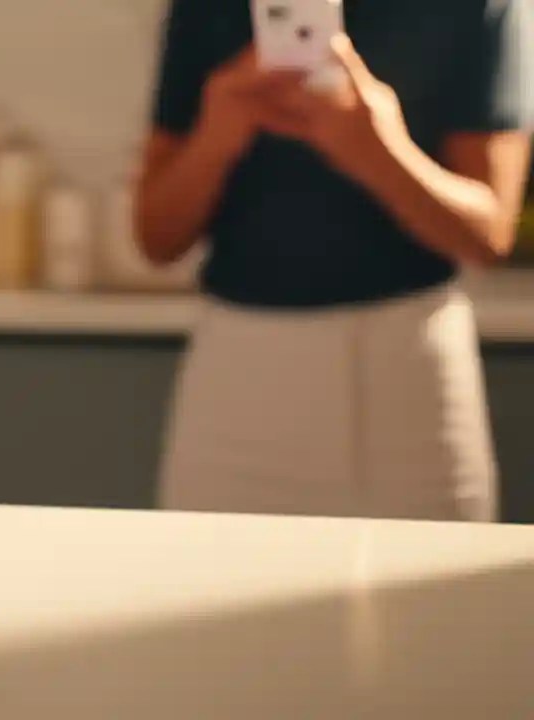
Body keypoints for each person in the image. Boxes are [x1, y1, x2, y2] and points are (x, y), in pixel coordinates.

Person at [138, 0, 532, 521]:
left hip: (411, 374)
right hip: (240, 377)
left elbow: (489, 235)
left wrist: (378, 149)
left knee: (432, 591)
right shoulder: (208, 10)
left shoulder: (474, 8)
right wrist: (218, 131)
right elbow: (156, 238)